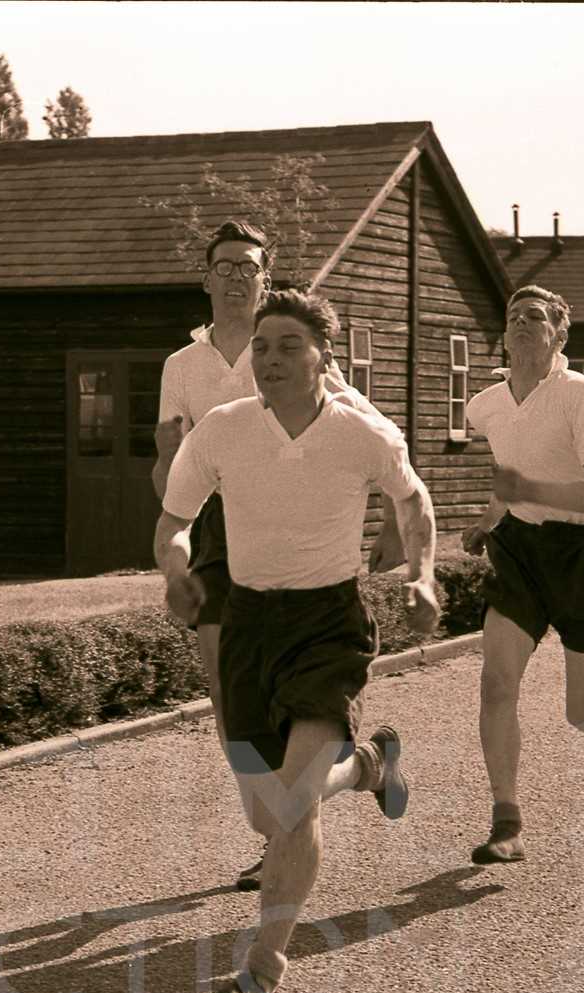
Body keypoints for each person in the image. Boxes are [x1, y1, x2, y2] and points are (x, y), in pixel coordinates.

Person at [155, 288, 438, 993]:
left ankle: (262, 964)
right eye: (263, 348)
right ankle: (373, 766)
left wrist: (422, 575)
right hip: (248, 625)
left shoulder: (361, 433)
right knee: (268, 810)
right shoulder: (221, 429)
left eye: (288, 346)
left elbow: (414, 503)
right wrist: (177, 570)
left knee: (294, 802)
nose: (270, 359)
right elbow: (174, 521)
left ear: (324, 360)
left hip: (326, 624)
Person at [150, 220, 399, 893]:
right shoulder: (182, 366)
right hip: (217, 533)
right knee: (226, 687)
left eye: (248, 267)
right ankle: (286, 816)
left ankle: (292, 823)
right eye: (224, 266)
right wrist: (172, 465)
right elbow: (165, 478)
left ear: (267, 278)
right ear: (206, 279)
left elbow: (362, 433)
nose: (236, 276)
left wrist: (395, 520)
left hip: (298, 535)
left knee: (297, 700)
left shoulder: (295, 350)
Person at [458, 286, 584, 865]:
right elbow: (508, 474)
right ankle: (506, 818)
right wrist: (490, 520)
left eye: (535, 317)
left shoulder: (578, 393)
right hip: (518, 555)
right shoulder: (484, 406)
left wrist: (529, 491)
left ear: (559, 335)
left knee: (582, 718)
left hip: (579, 552)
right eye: (513, 317)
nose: (522, 324)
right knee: (496, 682)